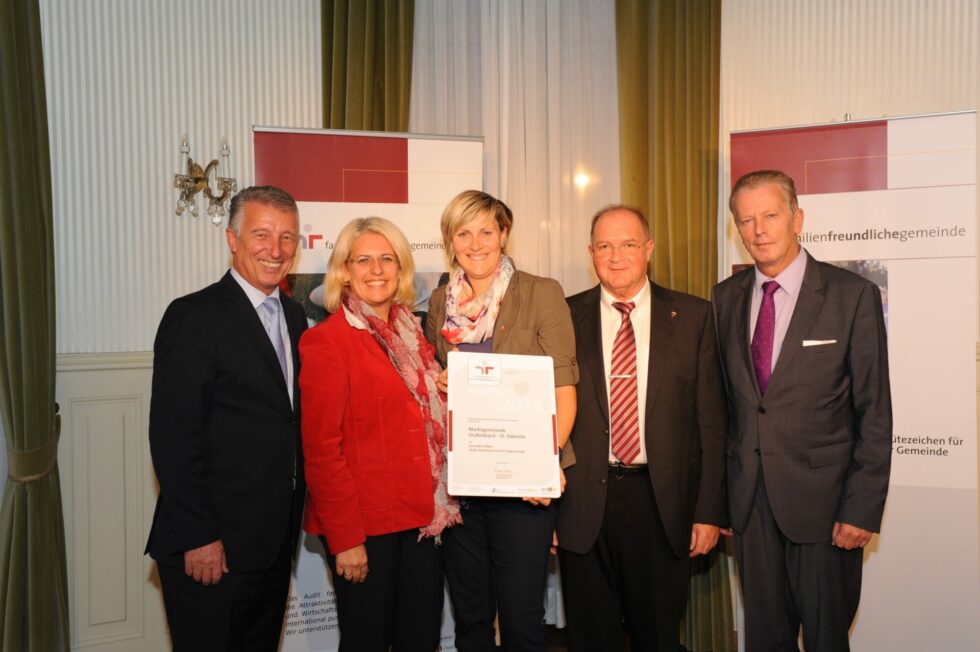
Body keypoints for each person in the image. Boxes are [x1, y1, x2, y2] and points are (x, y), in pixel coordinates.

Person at [713, 170, 892, 651]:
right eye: (746, 221)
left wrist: (862, 507)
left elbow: (874, 412)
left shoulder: (851, 296)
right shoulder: (724, 300)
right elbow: (723, 410)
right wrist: (720, 499)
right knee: (765, 639)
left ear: (798, 219)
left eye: (770, 216)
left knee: (826, 638)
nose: (758, 231)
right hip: (751, 507)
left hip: (827, 509)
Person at [556, 205, 729, 651]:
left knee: (658, 637)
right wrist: (546, 517)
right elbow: (546, 414)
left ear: (649, 248)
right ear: (590, 252)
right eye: (605, 246)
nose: (617, 256)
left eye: (629, 244)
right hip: (581, 504)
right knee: (591, 639)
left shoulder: (694, 317)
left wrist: (709, 511)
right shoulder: (562, 318)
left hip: (661, 504)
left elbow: (712, 423)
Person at [146, 185, 308, 650]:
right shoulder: (193, 317)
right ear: (232, 239)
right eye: (261, 234)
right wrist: (199, 536)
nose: (275, 250)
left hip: (273, 542)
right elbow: (173, 440)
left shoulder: (295, 316)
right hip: (211, 547)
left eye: (287, 238)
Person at [425, 190, 578, 652]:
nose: (476, 243)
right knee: (471, 620)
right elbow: (437, 380)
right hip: (461, 486)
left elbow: (563, 387)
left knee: (521, 619)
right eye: (463, 232)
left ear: (504, 235)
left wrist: (544, 460)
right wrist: (440, 383)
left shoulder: (541, 292)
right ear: (450, 241)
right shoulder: (438, 303)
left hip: (522, 486)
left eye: (486, 231)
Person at [299, 217, 460, 651]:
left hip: (423, 522)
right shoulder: (327, 342)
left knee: (420, 639)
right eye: (363, 260)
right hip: (366, 528)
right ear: (344, 270)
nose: (376, 270)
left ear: (401, 268)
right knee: (365, 641)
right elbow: (321, 451)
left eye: (386, 259)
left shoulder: (414, 334)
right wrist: (346, 540)